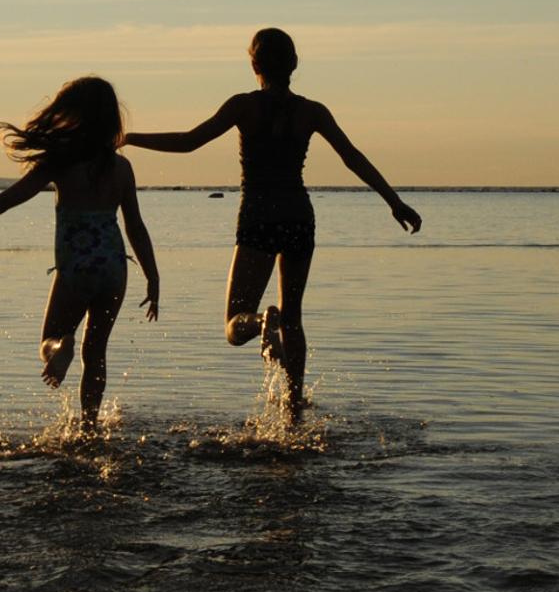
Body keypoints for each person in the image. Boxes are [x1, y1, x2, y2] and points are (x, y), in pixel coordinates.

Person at [123, 28, 420, 422]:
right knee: (295, 316)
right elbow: (352, 157)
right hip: (299, 216)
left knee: (234, 323)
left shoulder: (243, 106)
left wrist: (127, 137)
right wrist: (394, 202)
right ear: (294, 64)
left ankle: (263, 321)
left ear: (254, 65)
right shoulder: (312, 111)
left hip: (259, 216)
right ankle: (294, 407)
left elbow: (190, 141)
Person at [0, 76, 160, 424]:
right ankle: (89, 427)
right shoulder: (121, 167)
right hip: (113, 268)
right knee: (95, 352)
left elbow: (7, 201)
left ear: (71, 115)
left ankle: (58, 348)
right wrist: (153, 278)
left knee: (49, 339)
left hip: (75, 269)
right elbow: (135, 227)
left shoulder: (59, 162)